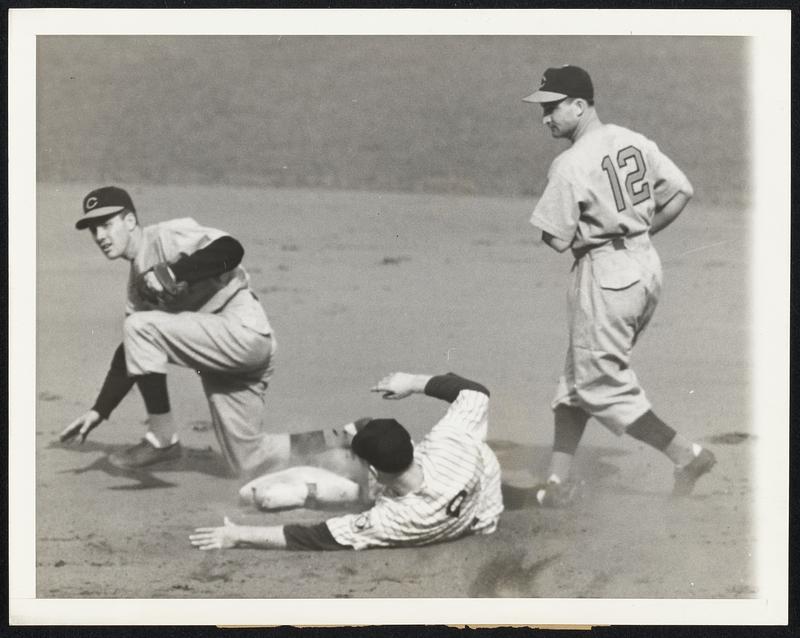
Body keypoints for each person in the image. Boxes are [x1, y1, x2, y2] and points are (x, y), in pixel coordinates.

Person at [522, 65, 716, 506]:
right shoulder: (634, 139)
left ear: (579, 105)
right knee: (579, 378)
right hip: (645, 267)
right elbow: (681, 190)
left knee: (600, 384)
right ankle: (557, 482)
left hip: (605, 279)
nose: (545, 119)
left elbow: (554, 240)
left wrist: (598, 239)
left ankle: (686, 454)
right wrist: (636, 235)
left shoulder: (569, 163)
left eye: (552, 108)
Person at [60, 186, 348, 476]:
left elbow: (231, 249)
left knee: (138, 326)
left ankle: (163, 439)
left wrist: (174, 272)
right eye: (93, 230)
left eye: (106, 225)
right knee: (248, 459)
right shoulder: (136, 288)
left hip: (242, 329)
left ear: (130, 221)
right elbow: (130, 351)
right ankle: (345, 440)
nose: (100, 237)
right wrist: (100, 409)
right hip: (220, 356)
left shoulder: (166, 236)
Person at [189, 371, 504, 551]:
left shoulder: (391, 520)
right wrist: (412, 382)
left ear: (372, 471)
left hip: (427, 510)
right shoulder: (452, 443)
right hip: (479, 502)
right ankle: (348, 439)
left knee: (272, 493)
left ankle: (341, 445)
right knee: (354, 443)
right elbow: (476, 392)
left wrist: (238, 534)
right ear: (411, 443)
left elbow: (314, 537)